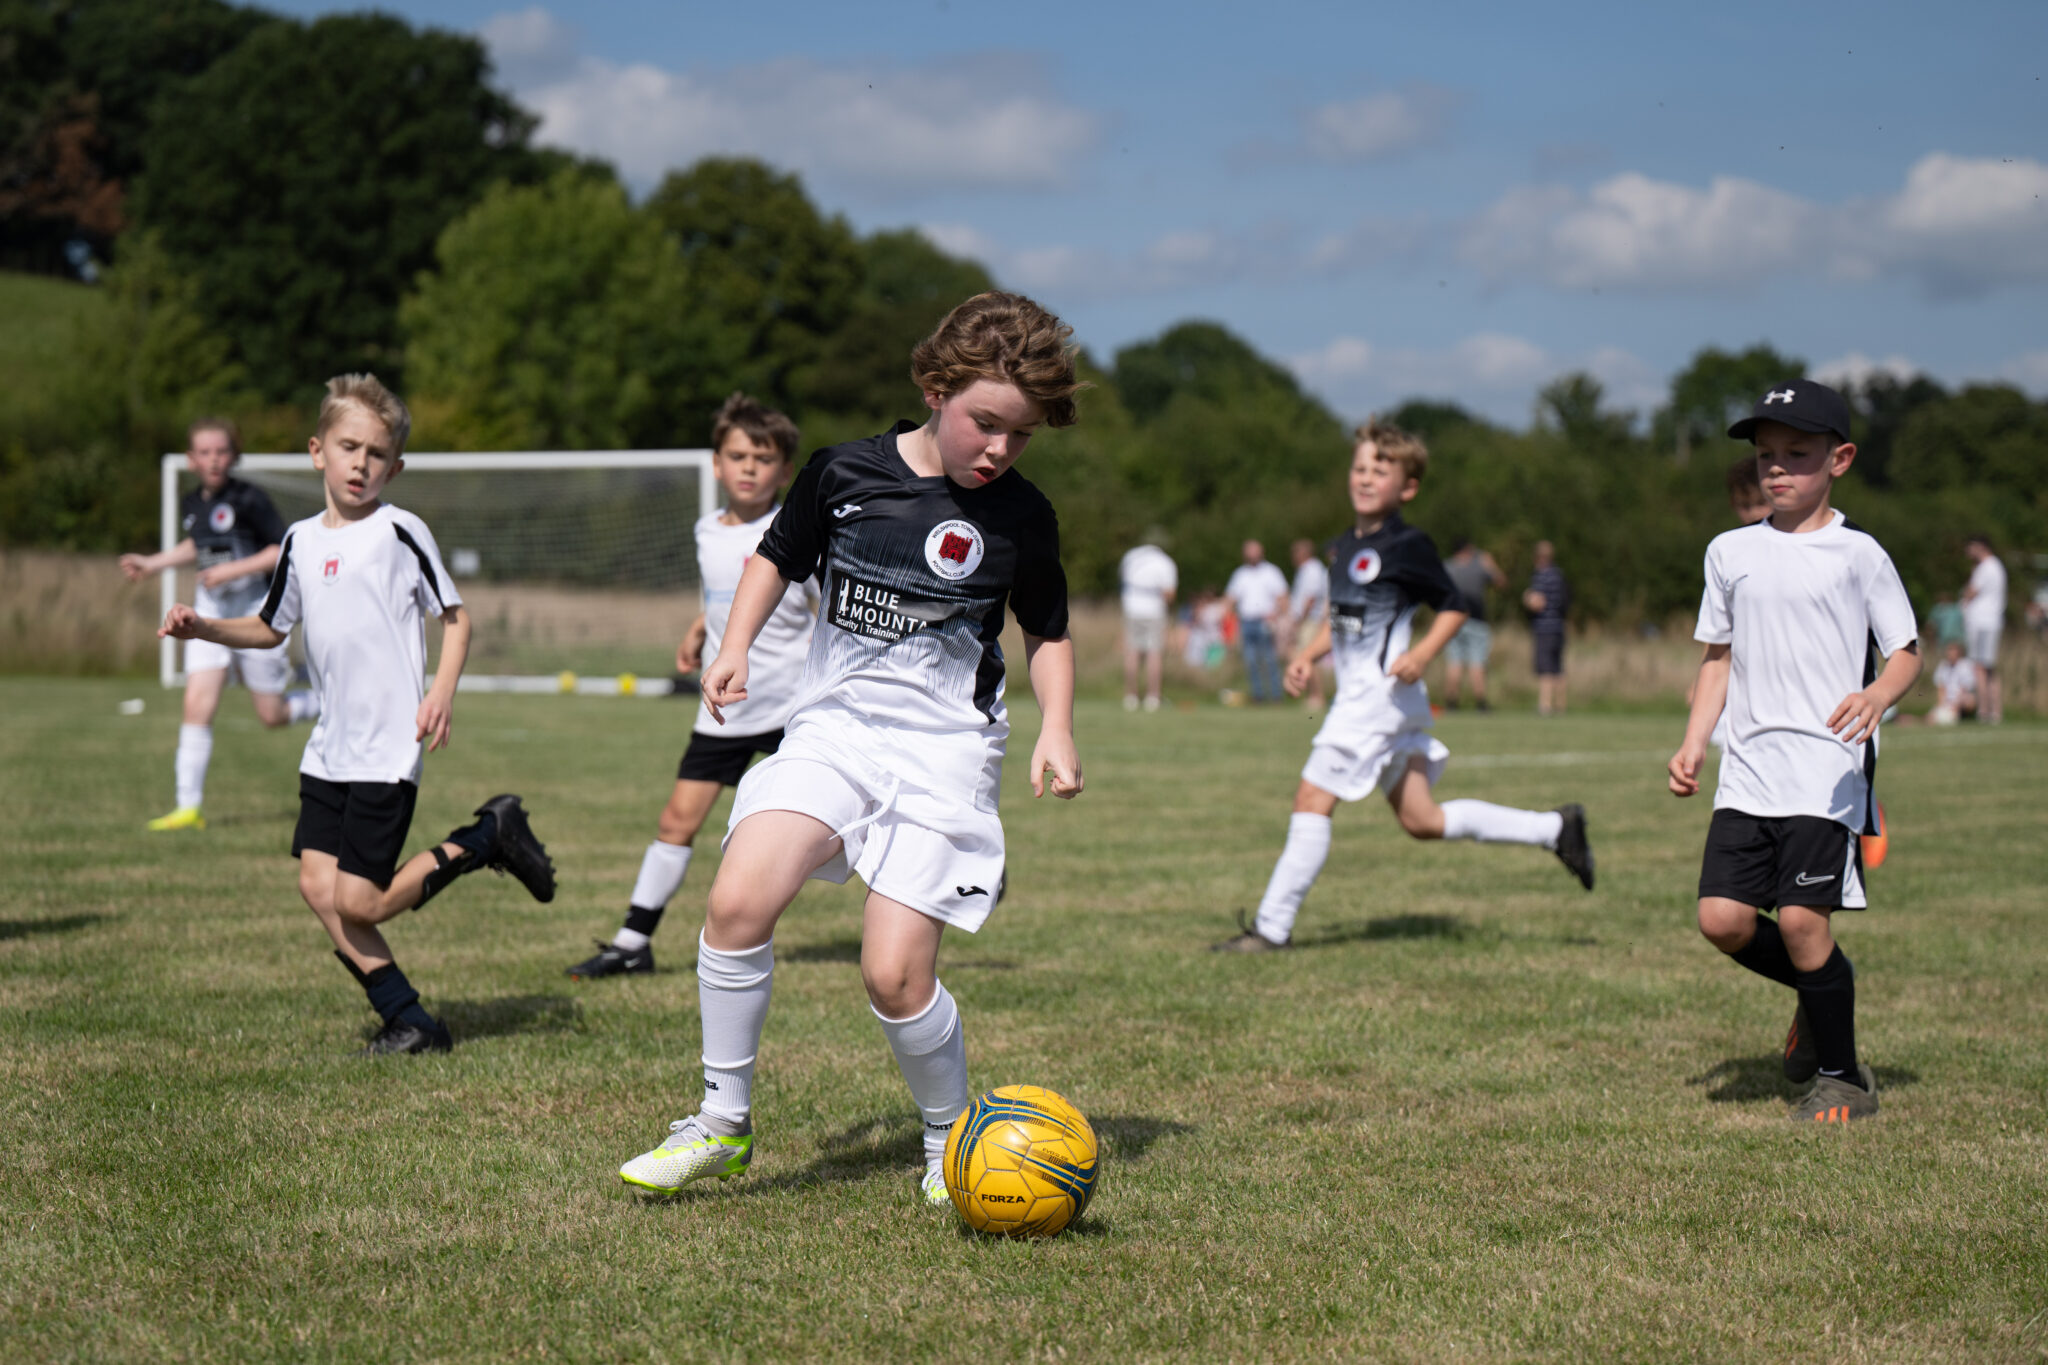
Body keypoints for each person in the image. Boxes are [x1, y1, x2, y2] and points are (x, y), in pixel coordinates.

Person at [615, 292, 1086, 1206]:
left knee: (893, 972)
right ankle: (720, 1121)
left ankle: (951, 1139)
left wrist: (1057, 726)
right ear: (934, 387)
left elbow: (1049, 628)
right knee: (741, 895)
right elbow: (775, 557)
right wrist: (736, 645)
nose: (999, 450)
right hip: (836, 731)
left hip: (947, 749)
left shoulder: (1024, 514)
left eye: (1019, 436)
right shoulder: (841, 473)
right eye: (986, 424)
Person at [159, 375, 557, 1055]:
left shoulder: (402, 531)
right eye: (349, 447)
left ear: (393, 467)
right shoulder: (299, 541)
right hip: (328, 748)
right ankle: (410, 1021)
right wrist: (205, 629)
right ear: (318, 451)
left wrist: (441, 691)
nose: (360, 463)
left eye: (377, 454)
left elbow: (457, 622)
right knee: (319, 887)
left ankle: (486, 835)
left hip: (386, 747)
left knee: (362, 901)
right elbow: (269, 626)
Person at [1212, 418, 1594, 953]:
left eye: (1381, 469)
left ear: (1408, 488)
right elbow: (1342, 618)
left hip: (1378, 700)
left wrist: (1422, 653)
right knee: (1422, 820)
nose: (1366, 477)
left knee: (1311, 796)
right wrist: (1306, 655)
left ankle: (1271, 928)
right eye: (1360, 466)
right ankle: (1555, 829)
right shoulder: (1343, 545)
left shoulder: (1409, 544)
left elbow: (1456, 607)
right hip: (1379, 702)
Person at [1668, 380, 1919, 1123]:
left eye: (1797, 454)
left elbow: (1905, 652)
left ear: (1839, 458)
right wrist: (1691, 743)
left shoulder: (1859, 554)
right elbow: (1717, 658)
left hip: (1825, 768)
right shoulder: (1729, 551)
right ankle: (1819, 994)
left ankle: (1843, 1077)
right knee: (1723, 919)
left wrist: (1878, 696)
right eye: (1766, 455)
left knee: (1806, 923)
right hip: (1747, 770)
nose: (1777, 468)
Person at [568, 395, 817, 981]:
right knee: (678, 818)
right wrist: (701, 627)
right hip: (724, 707)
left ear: (785, 471)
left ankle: (941, 860)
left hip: (792, 708)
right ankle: (633, 942)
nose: (750, 467)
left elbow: (821, 609)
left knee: (834, 825)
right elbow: (728, 596)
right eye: (738, 455)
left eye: (763, 457)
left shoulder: (796, 533)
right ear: (716, 464)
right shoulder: (706, 530)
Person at [120, 418, 319, 830]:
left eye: (221, 451)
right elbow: (198, 544)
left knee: (272, 715)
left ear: (234, 455)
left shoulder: (250, 499)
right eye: (205, 453)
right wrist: (152, 563)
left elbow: (281, 548)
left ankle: (324, 700)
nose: (213, 460)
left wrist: (232, 571)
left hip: (255, 613)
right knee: (196, 705)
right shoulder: (193, 503)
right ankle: (187, 808)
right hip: (207, 614)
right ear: (192, 459)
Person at [1440, 538, 1506, 711]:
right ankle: (1481, 703)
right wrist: (1490, 564)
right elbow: (1501, 582)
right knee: (1477, 662)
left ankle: (1451, 703)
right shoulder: (1478, 566)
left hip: (1451, 621)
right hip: (1476, 620)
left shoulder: (1447, 567)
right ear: (1468, 549)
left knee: (1454, 662)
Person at [1224, 540, 1290, 703]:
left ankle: (1276, 695)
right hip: (1246, 621)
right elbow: (1230, 599)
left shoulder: (1271, 572)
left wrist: (1276, 615)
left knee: (1269, 659)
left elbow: (1282, 598)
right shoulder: (1240, 574)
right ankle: (1258, 695)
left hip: (1265, 621)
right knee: (1251, 660)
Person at [1119, 536, 1177, 711]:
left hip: (1131, 608)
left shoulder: (1130, 556)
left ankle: (1131, 696)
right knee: (1154, 653)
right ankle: (1153, 697)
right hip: (1154, 610)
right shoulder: (1165, 562)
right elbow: (1169, 594)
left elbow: (1122, 582)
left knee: (1132, 652)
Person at [1962, 535, 2007, 725]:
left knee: (1980, 668)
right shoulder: (1994, 567)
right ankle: (1994, 712)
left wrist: (1964, 598)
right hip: (1988, 622)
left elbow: (1971, 592)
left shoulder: (1986, 567)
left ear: (1980, 547)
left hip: (1983, 623)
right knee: (1988, 668)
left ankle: (1985, 711)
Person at [1522, 540, 1570, 715]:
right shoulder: (1559, 575)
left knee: (1545, 667)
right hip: (1559, 626)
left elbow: (1538, 603)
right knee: (1558, 667)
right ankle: (1561, 705)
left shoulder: (1541, 576)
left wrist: (1527, 598)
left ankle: (1545, 705)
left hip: (1544, 627)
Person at [1287, 537, 1331, 710]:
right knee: (1304, 657)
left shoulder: (1311, 570)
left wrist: (1299, 619)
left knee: (1308, 658)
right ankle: (1313, 696)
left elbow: (1310, 599)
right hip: (1308, 619)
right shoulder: (1306, 570)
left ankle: (1317, 697)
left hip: (1310, 619)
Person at [1928, 640, 1978, 724]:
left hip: (1961, 700)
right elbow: (1941, 689)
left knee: (1970, 700)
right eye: (1949, 650)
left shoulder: (1965, 665)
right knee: (1930, 718)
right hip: (1947, 701)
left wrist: (1955, 706)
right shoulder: (1942, 666)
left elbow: (1964, 690)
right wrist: (1941, 706)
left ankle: (1961, 716)